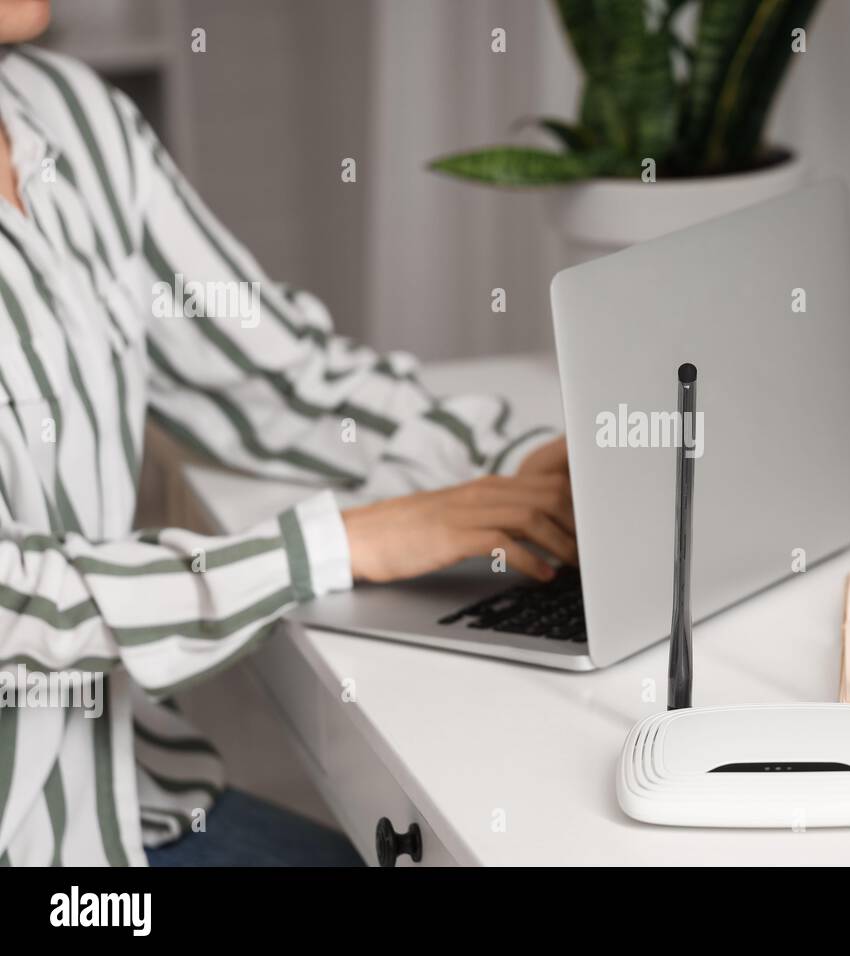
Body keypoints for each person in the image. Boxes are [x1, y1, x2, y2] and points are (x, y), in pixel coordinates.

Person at [0, 1, 574, 865]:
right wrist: (332, 548)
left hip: (130, 801)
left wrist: (513, 464)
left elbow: (275, 373)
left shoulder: (70, 115)